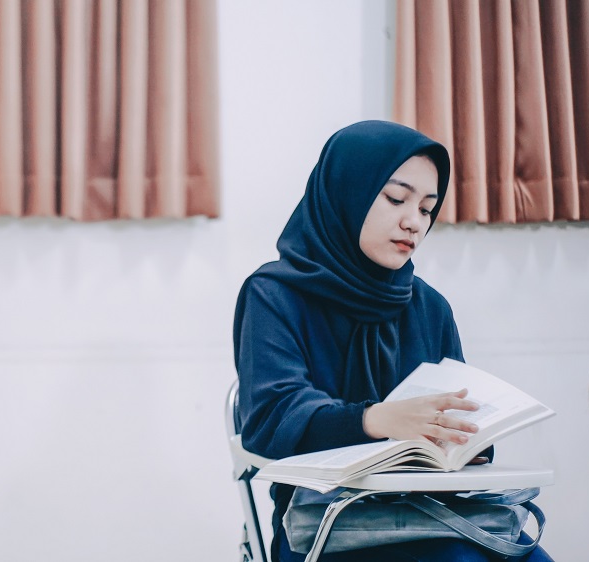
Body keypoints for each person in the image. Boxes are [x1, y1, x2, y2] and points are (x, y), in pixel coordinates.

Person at [232, 121, 552, 561]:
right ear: (347, 191)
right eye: (396, 199)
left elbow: (458, 420)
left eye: (426, 209)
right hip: (326, 527)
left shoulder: (429, 306)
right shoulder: (274, 295)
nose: (413, 222)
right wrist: (379, 420)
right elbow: (272, 419)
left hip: (436, 514)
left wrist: (465, 439)